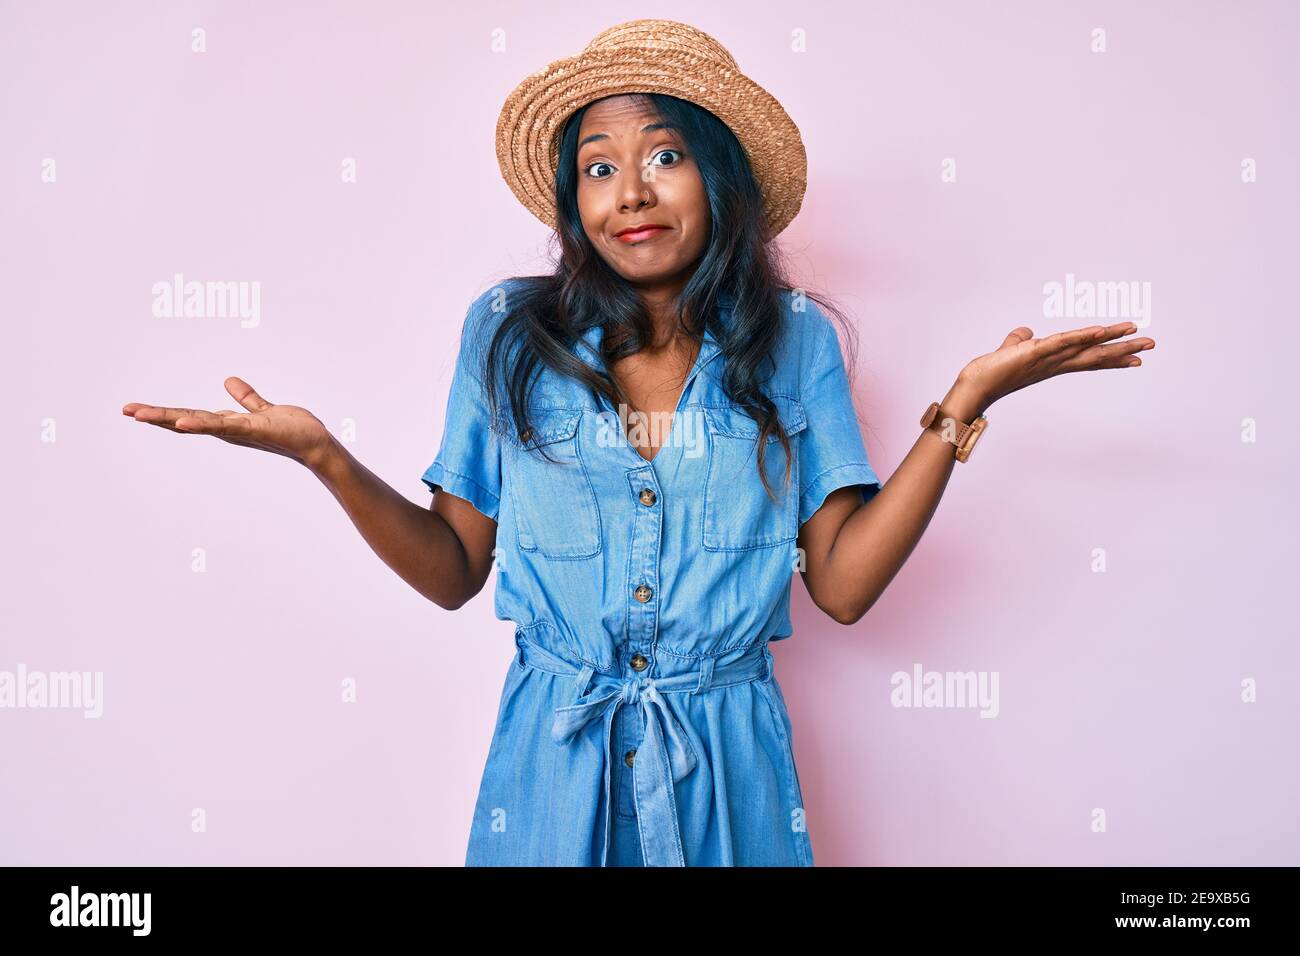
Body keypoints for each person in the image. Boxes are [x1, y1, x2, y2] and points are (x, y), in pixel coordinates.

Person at [121, 19, 1155, 866]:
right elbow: (450, 571)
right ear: (574, 199)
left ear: (718, 179)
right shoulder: (505, 332)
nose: (631, 191)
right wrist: (325, 457)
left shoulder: (791, 342)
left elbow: (841, 584)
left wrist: (962, 405)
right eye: (598, 166)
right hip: (549, 768)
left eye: (665, 155)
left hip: (731, 769)